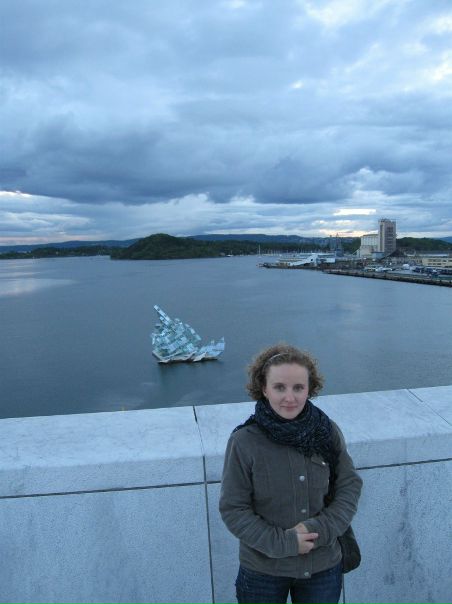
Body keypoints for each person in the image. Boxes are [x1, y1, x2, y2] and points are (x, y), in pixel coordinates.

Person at [219, 344, 362, 604]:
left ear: (310, 388)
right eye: (279, 387)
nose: (290, 397)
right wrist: (284, 543)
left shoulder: (326, 431)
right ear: (264, 389)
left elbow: (349, 485)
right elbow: (233, 508)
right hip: (263, 573)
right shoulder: (244, 442)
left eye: (298, 387)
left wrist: (319, 529)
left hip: (322, 568)